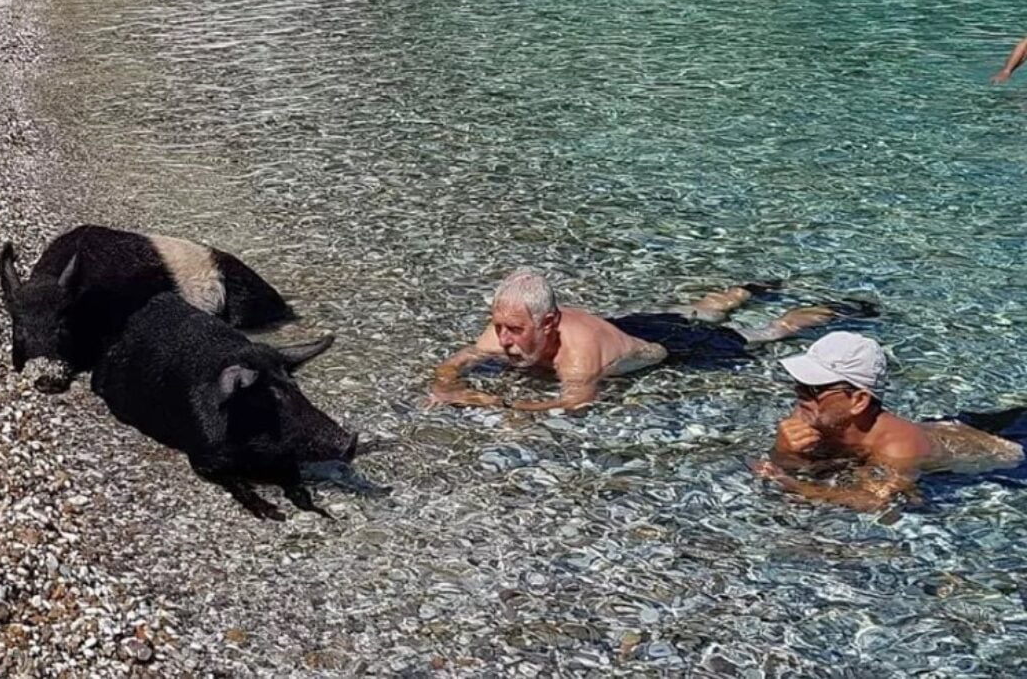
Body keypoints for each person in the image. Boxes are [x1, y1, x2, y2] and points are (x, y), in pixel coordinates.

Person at [428, 269, 851, 411]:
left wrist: (507, 405)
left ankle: (832, 310)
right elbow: (454, 363)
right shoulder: (502, 329)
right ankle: (747, 290)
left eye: (515, 330)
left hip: (666, 347)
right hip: (624, 325)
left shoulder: (579, 357)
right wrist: (449, 387)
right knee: (700, 308)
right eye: (499, 325)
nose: (502, 339)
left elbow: (576, 402)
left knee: (763, 334)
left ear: (549, 322)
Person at [751, 332, 1027, 511]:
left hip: (1011, 451)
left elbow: (874, 501)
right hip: (951, 427)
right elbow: (797, 460)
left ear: (858, 400)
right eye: (800, 384)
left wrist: (792, 485)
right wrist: (784, 453)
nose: (800, 394)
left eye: (814, 388)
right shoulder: (816, 411)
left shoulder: (898, 449)